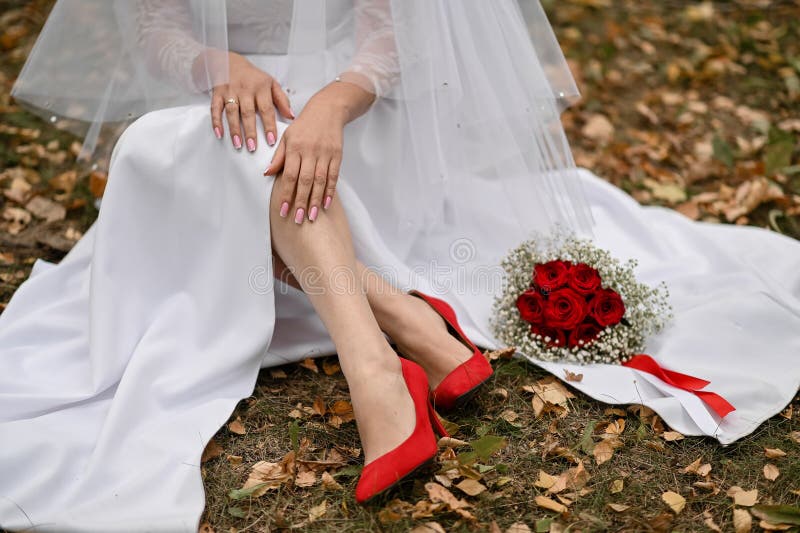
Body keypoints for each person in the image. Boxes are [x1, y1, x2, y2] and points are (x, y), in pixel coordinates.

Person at [2, 1, 800, 531]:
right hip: (232, 106)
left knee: (265, 158)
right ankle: (401, 324)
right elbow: (153, 28)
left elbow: (395, 37)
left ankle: (378, 375)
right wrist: (220, 66)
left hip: (356, 119)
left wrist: (331, 104)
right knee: (191, 143)